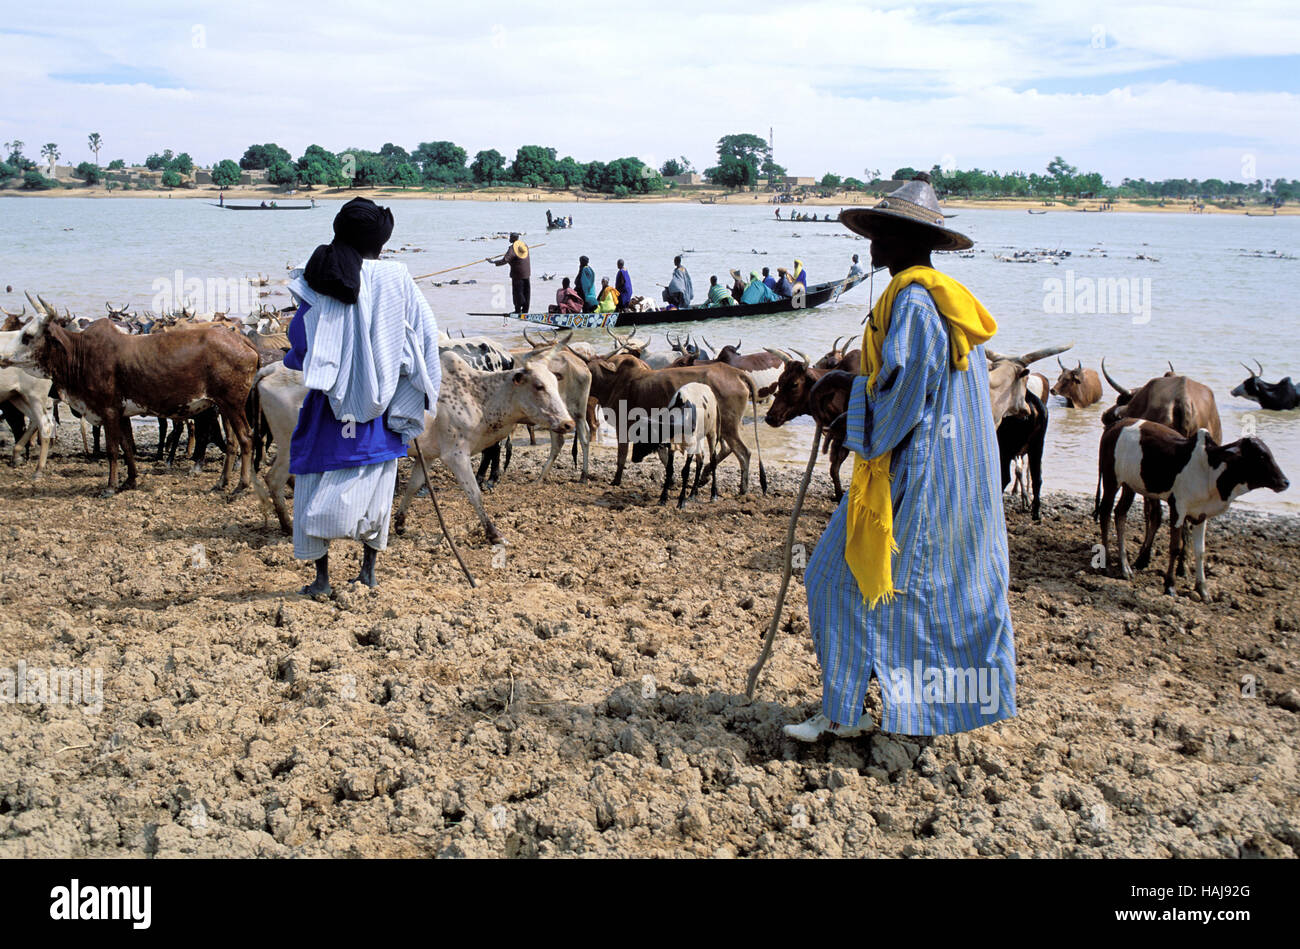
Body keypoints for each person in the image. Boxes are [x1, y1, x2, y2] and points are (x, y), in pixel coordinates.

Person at [784, 172, 1015, 742]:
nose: (872, 242)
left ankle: (847, 712)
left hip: (917, 477)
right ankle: (891, 711)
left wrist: (847, 390)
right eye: (875, 230)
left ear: (909, 242)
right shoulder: (939, 298)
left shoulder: (911, 303)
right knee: (924, 590)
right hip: (949, 474)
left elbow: (898, 404)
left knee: (835, 580)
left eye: (882, 231)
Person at [283, 197, 442, 596]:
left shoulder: (318, 277)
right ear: (380, 243)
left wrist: (308, 358)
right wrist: (415, 390)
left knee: (313, 481)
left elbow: (301, 341)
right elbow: (424, 339)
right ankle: (367, 572)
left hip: (330, 409)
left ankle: (321, 579)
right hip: (382, 411)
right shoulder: (398, 279)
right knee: (378, 490)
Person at [494, 232, 531, 314]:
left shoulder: (512, 248)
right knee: (526, 292)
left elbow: (505, 260)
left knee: (517, 293)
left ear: (514, 238)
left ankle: (518, 310)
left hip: (518, 274)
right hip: (527, 273)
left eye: (510, 237)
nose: (509, 238)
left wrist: (494, 262)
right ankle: (525, 310)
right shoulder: (524, 245)